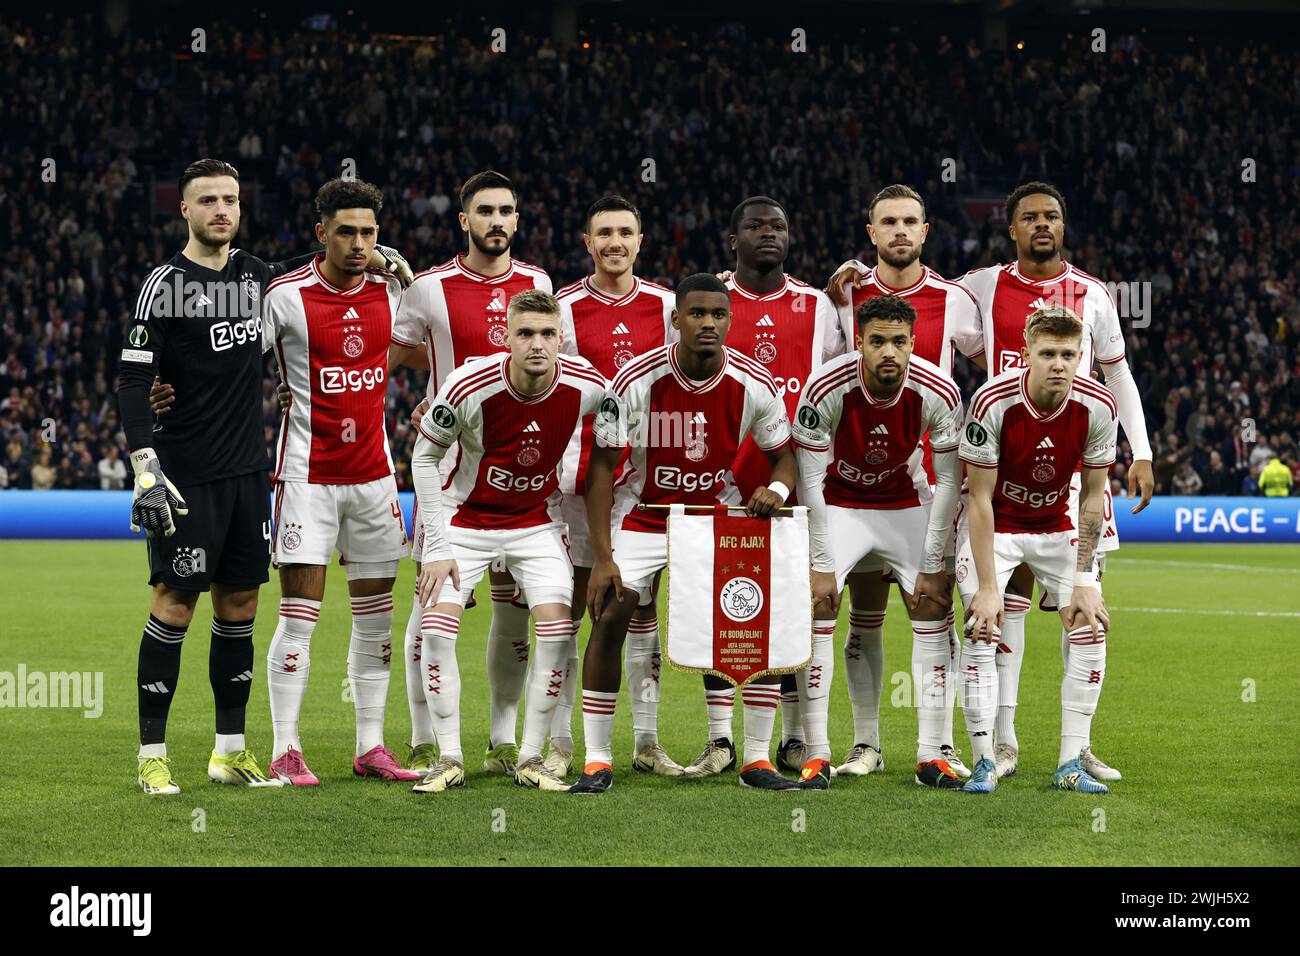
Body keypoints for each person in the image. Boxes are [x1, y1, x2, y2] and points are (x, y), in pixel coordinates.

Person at [833, 182, 1148, 783]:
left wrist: (1143, 449)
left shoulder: (1070, 298)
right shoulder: (941, 291)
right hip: (935, 481)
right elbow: (878, 323)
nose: (1041, 225)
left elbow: (1107, 371)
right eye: (1029, 217)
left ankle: (1052, 748)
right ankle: (967, 744)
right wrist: (849, 271)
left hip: (1001, 478)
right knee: (910, 612)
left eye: (1051, 215)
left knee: (1060, 609)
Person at [119, 158, 408, 796]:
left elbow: (294, 337)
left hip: (248, 469)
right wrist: (145, 466)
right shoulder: (162, 285)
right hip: (184, 473)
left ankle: (230, 752)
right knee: (174, 604)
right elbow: (135, 380)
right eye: (208, 200)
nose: (222, 210)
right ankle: (152, 753)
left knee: (241, 605)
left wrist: (383, 258)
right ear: (185, 211)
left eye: (230, 199)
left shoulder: (257, 280)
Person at [570, 273, 798, 795]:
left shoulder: (754, 384)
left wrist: (778, 491)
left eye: (718, 315)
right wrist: (603, 557)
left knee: (748, 616)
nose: (708, 324)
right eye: (697, 314)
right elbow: (601, 470)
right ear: (675, 320)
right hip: (645, 513)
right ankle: (599, 759)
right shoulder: (634, 380)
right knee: (612, 611)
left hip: (712, 515)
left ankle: (755, 758)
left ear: (730, 320)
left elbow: (784, 458)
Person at [408, 290, 608, 794]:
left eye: (546, 334)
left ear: (561, 337)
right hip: (465, 520)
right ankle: (448, 757)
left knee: (559, 633)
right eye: (525, 334)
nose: (536, 344)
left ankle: (531, 756)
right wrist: (437, 546)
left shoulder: (589, 386)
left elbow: (612, 441)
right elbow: (423, 460)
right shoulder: (468, 384)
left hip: (535, 522)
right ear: (507, 338)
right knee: (435, 630)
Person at [390, 170, 553, 776]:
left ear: (517, 219)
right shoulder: (430, 288)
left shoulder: (537, 283)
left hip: (517, 475)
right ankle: (425, 736)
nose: (497, 222)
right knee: (431, 605)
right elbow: (398, 348)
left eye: (506, 211)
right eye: (485, 211)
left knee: (513, 609)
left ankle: (503, 739)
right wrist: (428, 400)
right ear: (465, 220)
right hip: (450, 477)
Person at [821, 183, 986, 779]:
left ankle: (937, 747)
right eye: (887, 221)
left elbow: (999, 359)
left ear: (925, 230)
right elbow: (824, 377)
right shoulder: (842, 295)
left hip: (924, 482)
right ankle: (865, 744)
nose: (898, 231)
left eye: (909, 222)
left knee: (932, 605)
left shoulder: (955, 299)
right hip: (851, 482)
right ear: (871, 234)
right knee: (860, 612)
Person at [260, 178, 418, 786]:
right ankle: (285, 748)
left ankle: (371, 746)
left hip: (375, 478)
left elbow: (434, 336)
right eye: (346, 231)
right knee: (300, 615)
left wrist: (396, 264)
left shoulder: (392, 291)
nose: (358, 243)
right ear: (320, 231)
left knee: (376, 619)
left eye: (368, 232)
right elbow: (235, 360)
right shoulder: (285, 297)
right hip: (306, 477)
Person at [689, 196, 849, 780]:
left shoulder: (817, 306)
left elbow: (838, 383)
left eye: (778, 226)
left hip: (796, 483)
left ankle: (790, 739)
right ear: (733, 239)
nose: (768, 234)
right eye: (755, 226)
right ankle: (720, 740)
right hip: (721, 479)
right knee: (721, 612)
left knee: (787, 613)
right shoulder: (709, 303)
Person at [792, 294, 965, 789]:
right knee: (819, 600)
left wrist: (933, 559)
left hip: (903, 503)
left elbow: (948, 482)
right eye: (878, 342)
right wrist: (822, 562)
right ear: (860, 343)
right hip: (838, 503)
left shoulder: (939, 390)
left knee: (932, 601)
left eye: (899, 342)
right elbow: (809, 479)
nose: (889, 352)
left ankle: (932, 755)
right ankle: (818, 754)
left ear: (913, 342)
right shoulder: (825, 386)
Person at [956, 304, 1118, 795]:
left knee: (1091, 627)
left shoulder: (1098, 406)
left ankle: (1070, 761)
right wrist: (987, 588)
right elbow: (980, 498)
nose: (1059, 364)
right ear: (1026, 353)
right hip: (997, 527)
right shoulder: (991, 402)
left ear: (1083, 356)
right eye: (1048, 353)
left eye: (1069, 354)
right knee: (983, 628)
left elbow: (1092, 498)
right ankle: (986, 758)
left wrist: (1085, 582)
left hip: (1055, 526)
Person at [551, 195, 679, 777]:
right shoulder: (565, 307)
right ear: (587, 242)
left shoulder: (667, 305)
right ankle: (558, 740)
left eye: (625, 232)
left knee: (642, 610)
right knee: (579, 609)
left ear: (640, 239)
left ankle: (646, 742)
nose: (615, 243)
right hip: (583, 482)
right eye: (603, 233)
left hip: (645, 484)